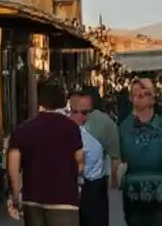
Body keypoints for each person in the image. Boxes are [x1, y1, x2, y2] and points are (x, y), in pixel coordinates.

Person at [7, 80, 84, 226]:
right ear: (63, 100)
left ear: (40, 99)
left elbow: (13, 163)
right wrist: (77, 183)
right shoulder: (71, 128)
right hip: (64, 198)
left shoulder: (24, 128)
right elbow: (80, 160)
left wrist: (16, 195)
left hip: (33, 198)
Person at [118, 78, 162, 226]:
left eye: (144, 93)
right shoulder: (124, 126)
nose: (139, 96)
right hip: (133, 191)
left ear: (153, 98)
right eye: (135, 94)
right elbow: (120, 157)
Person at [65, 92, 109, 226]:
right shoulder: (66, 131)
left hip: (95, 188)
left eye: (89, 112)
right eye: (83, 113)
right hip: (78, 188)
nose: (86, 117)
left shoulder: (95, 129)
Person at [81, 89, 121, 189]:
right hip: (99, 177)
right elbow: (114, 154)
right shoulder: (106, 121)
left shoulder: (74, 118)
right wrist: (114, 178)